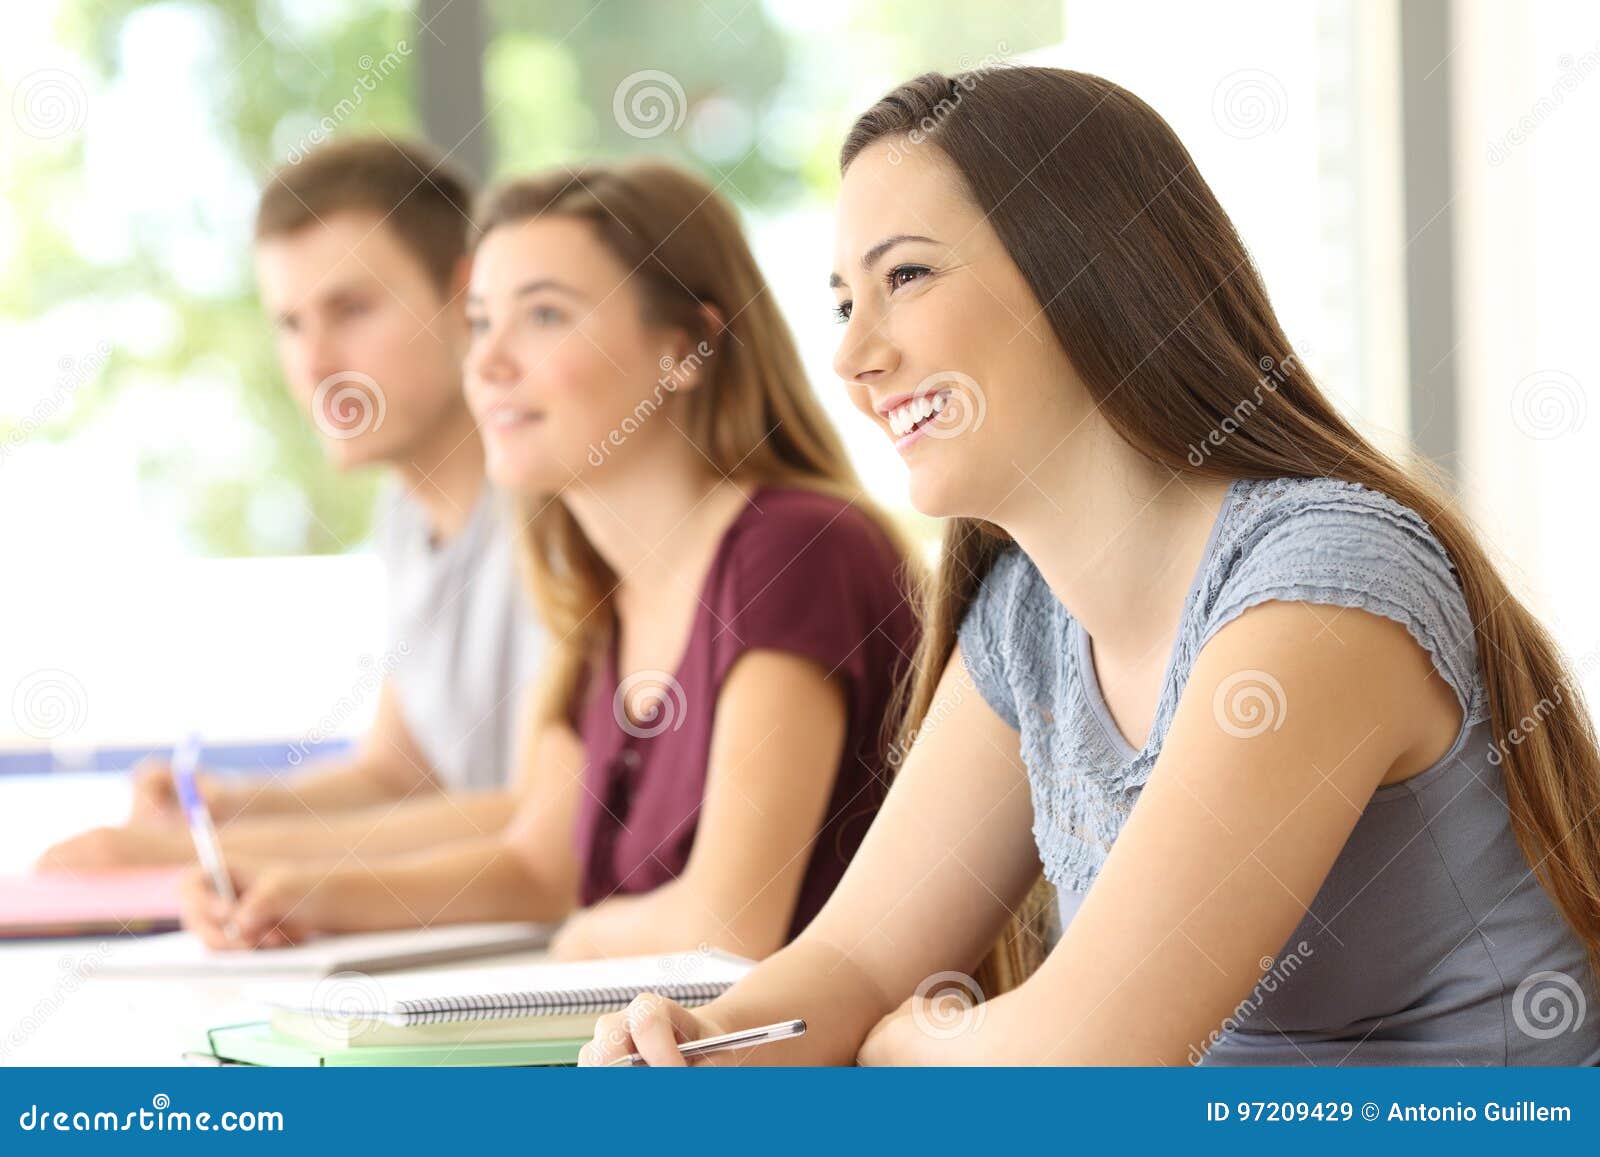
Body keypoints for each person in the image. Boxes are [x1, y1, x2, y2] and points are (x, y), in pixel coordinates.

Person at [580, 67, 1600, 1067]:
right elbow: (852, 958)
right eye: (844, 301)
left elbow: (1088, 1056)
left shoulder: (1321, 583)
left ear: (1086, 272)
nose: (853, 359)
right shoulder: (1027, 618)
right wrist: (706, 1039)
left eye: (905, 277)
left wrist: (902, 1039)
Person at [178, 160, 919, 961]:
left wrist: (577, 941)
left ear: (686, 348)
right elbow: (539, 864)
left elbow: (723, 930)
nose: (489, 363)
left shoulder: (796, 551)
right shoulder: (601, 598)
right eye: (481, 321)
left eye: (544, 316)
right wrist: (301, 893)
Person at [40, 136, 541, 871]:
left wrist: (192, 855)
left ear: (467, 302)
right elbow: (402, 775)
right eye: (290, 323)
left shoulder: (554, 507)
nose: (314, 364)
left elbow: (541, 814)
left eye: (352, 308)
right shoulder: (406, 518)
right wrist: (228, 806)